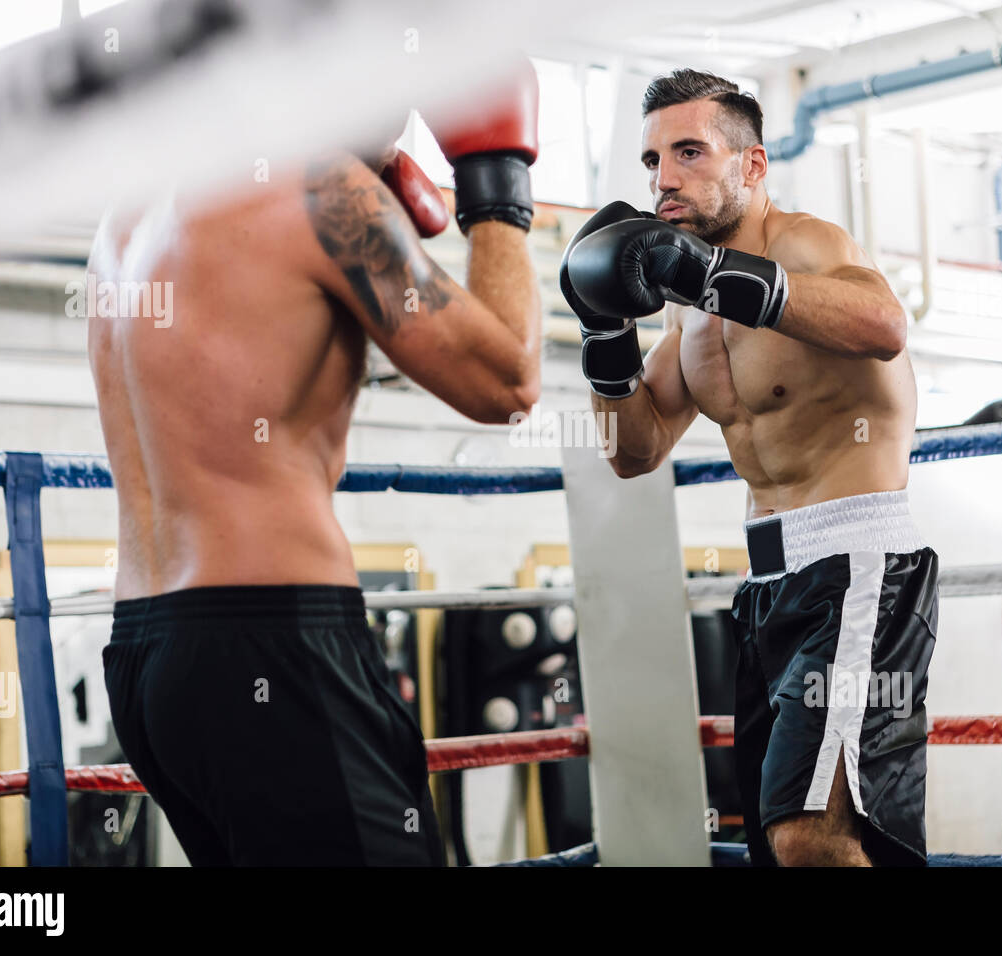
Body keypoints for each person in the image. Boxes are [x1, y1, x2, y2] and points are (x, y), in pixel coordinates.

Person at [87, 66, 542, 865]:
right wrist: (496, 187)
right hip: (276, 649)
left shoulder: (128, 214)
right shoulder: (317, 189)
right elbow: (507, 380)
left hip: (150, 660)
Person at [561, 69, 938, 867]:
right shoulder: (690, 314)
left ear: (753, 166)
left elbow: (883, 322)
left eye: (690, 152)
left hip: (857, 565)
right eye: (653, 160)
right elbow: (635, 452)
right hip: (767, 592)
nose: (664, 179)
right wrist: (604, 337)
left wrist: (710, 276)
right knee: (779, 844)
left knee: (813, 836)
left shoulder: (803, 244)